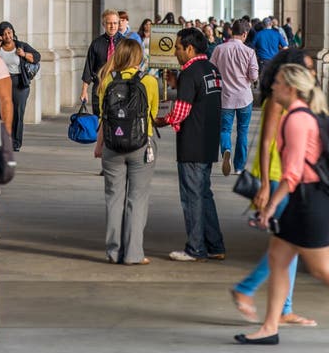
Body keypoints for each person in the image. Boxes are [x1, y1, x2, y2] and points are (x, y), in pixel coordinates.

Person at [234, 64, 329, 347]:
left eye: (278, 82)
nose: (273, 87)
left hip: (311, 200)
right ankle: (269, 326)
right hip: (305, 199)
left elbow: (291, 173)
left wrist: (269, 206)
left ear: (290, 88)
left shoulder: (296, 120)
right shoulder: (296, 116)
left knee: (323, 268)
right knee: (278, 258)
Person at [230, 49, 317, 327]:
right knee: (288, 244)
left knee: (287, 246)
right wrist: (266, 184)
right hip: (277, 178)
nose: (313, 74)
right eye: (308, 68)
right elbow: (267, 144)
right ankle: (249, 290)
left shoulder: (295, 101)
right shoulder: (277, 102)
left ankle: (283, 307)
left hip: (288, 178)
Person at [155, 28, 225, 262]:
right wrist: (177, 83)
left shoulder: (190, 72)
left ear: (189, 49)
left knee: (192, 197)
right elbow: (201, 100)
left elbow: (181, 111)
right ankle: (215, 245)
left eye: (177, 47)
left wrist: (161, 120)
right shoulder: (212, 71)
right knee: (204, 194)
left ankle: (195, 248)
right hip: (208, 142)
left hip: (192, 143)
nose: (175, 52)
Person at [93, 39, 160, 265]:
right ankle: (133, 254)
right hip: (142, 146)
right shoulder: (149, 81)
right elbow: (154, 109)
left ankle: (113, 252)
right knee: (137, 199)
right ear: (138, 57)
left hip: (112, 146)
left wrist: (99, 145)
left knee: (113, 199)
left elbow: (103, 114)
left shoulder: (105, 80)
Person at [210, 19, 258, 176]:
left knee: (224, 129)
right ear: (244, 34)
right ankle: (239, 167)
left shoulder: (219, 49)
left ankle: (226, 150)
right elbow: (254, 76)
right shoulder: (249, 52)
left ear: (231, 31)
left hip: (225, 97)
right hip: (244, 97)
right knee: (242, 132)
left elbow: (212, 71)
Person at [0, 21, 40, 152]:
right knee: (0, 112)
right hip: (2, 82)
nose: (7, 36)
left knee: (17, 113)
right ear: (0, 35)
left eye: (9, 32)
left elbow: (37, 56)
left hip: (19, 83)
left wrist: (24, 54)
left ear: (13, 33)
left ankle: (15, 142)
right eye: (4, 34)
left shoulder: (21, 45)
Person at [81, 9, 123, 116]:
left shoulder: (125, 43)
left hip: (120, 87)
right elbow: (89, 68)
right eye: (109, 23)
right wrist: (84, 91)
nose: (112, 26)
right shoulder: (96, 43)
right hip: (100, 87)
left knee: (118, 121)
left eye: (115, 23)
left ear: (118, 24)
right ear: (103, 24)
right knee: (98, 118)